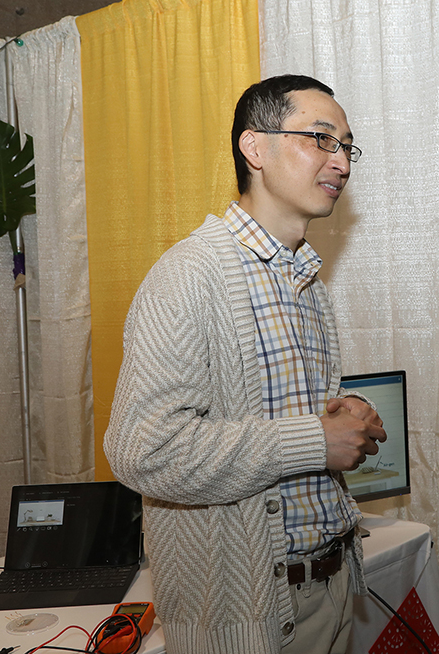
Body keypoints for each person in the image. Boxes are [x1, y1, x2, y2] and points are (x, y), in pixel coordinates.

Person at [104, 75, 387, 654]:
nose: (342, 162)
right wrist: (315, 439)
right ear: (254, 148)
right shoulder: (190, 276)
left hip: (333, 588)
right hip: (249, 613)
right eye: (321, 138)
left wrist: (340, 417)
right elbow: (142, 450)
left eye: (346, 146)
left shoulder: (307, 281)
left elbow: (282, 418)